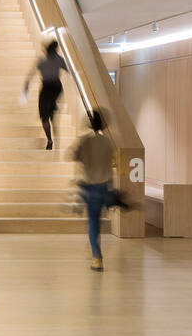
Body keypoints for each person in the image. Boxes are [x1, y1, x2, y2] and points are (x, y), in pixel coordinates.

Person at [71, 109, 121, 272]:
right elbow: (112, 163)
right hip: (105, 186)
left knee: (93, 224)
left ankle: (97, 258)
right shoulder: (108, 142)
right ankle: (113, 202)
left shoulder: (85, 141)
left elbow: (74, 157)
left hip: (90, 187)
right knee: (97, 221)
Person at [23, 35, 67, 150]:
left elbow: (30, 76)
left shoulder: (42, 60)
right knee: (52, 116)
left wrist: (26, 89)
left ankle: (50, 140)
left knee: (44, 117)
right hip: (57, 86)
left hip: (47, 87)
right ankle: (53, 108)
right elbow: (69, 70)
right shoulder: (59, 59)